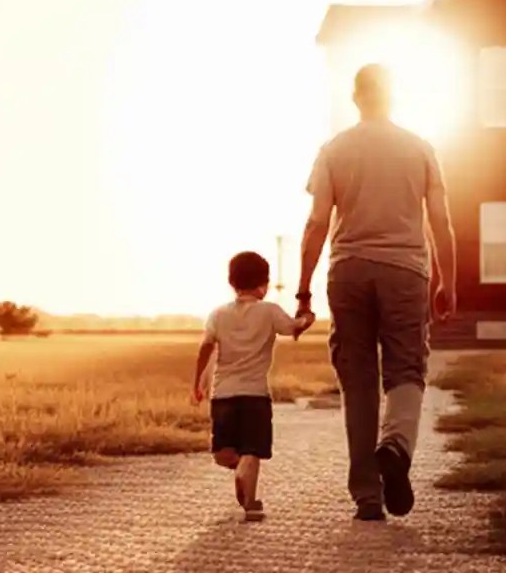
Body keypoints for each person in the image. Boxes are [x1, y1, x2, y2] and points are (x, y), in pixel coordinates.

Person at [294, 62, 457, 522]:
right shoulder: (420, 148)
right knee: (407, 368)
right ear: (392, 96)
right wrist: (448, 279)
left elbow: (316, 223)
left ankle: (367, 494)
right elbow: (441, 221)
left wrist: (304, 290)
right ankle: (396, 446)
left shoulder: (334, 150)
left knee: (358, 379)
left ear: (355, 97)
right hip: (406, 271)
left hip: (348, 271)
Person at [193, 251, 314, 522]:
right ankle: (250, 500)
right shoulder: (269, 311)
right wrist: (307, 318)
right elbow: (293, 329)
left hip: (222, 394)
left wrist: (196, 383)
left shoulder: (217, 314)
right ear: (263, 284)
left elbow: (205, 348)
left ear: (231, 282)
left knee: (222, 453)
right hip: (255, 396)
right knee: (252, 451)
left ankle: (239, 471)